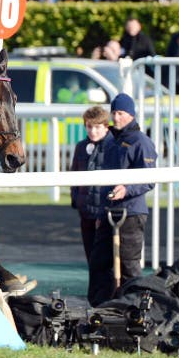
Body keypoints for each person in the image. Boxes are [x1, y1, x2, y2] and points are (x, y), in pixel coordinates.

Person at [88, 93, 157, 306]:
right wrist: (101, 213)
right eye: (114, 113)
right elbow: (105, 181)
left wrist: (126, 189)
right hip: (108, 213)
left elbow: (150, 179)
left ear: (131, 115)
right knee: (99, 262)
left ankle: (132, 309)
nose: (116, 118)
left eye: (121, 113)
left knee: (129, 266)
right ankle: (100, 308)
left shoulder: (141, 142)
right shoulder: (112, 142)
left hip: (131, 213)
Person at [70, 106, 116, 263]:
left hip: (106, 214)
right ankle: (95, 288)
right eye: (89, 126)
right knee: (91, 259)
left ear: (106, 127)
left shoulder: (114, 146)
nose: (93, 131)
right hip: (86, 212)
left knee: (107, 260)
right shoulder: (81, 147)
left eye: (97, 127)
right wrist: (77, 201)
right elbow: (74, 175)